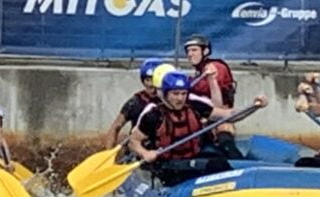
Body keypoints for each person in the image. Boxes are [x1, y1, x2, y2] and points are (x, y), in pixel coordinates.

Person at [130, 70, 262, 182]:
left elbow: (229, 115)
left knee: (220, 158)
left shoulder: (194, 105)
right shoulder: (153, 115)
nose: (180, 98)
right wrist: (145, 153)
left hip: (192, 157)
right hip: (167, 165)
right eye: (175, 94)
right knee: (216, 165)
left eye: (183, 93)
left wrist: (254, 107)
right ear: (165, 94)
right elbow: (133, 141)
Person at [110, 60, 174, 146]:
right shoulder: (135, 102)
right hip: (139, 150)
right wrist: (109, 151)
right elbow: (115, 127)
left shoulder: (172, 102)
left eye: (153, 80)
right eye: (147, 80)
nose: (151, 84)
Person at [184, 35, 237, 109]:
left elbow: (204, 89)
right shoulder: (199, 70)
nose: (190, 54)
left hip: (220, 114)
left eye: (194, 50)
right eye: (188, 51)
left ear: (205, 51)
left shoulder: (216, 67)